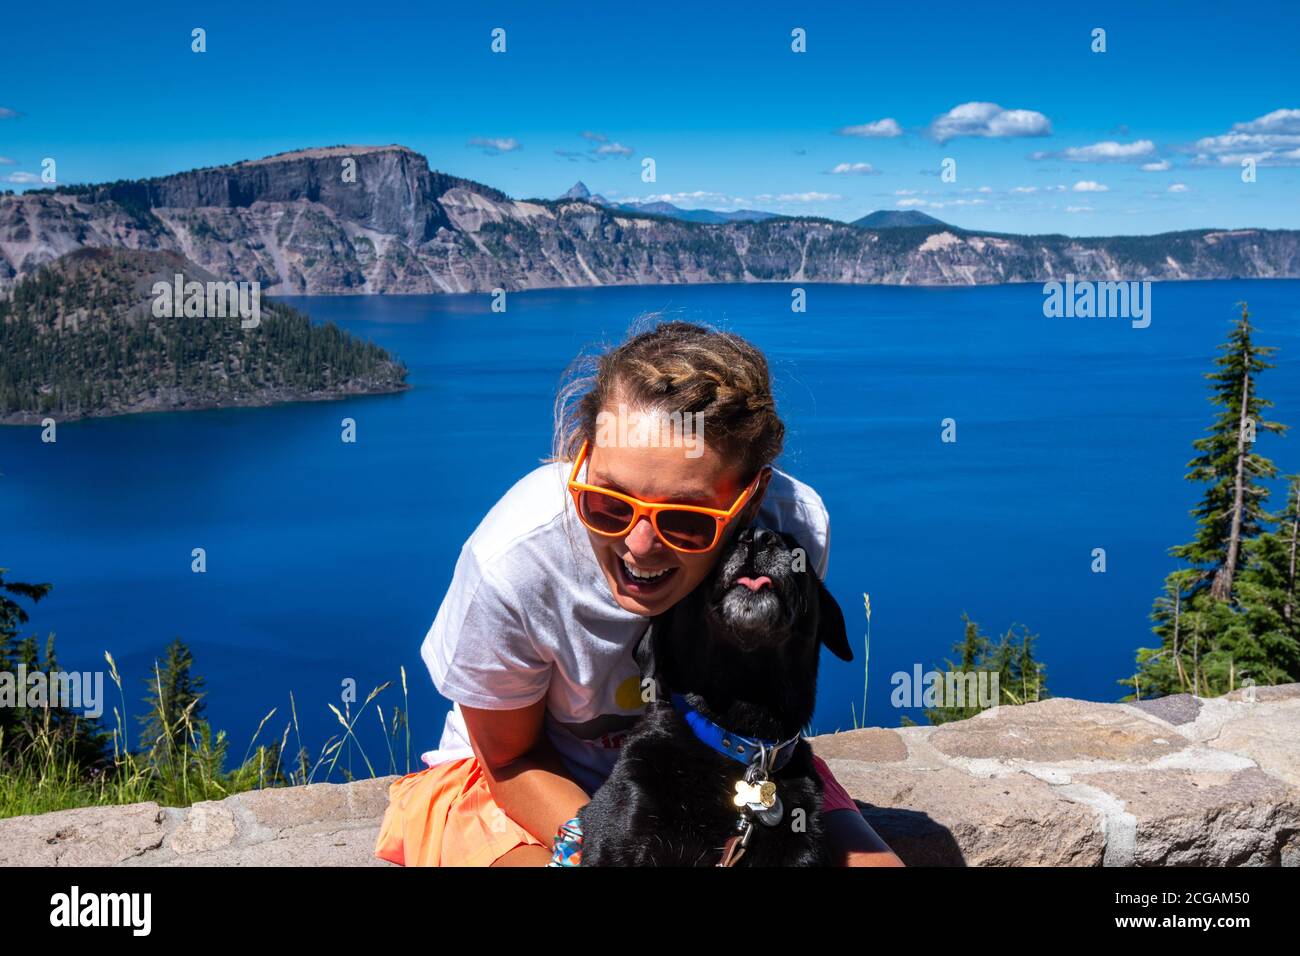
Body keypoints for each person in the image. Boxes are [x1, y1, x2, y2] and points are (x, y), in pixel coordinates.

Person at [374, 319, 903, 867]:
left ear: (752, 496)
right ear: (582, 458)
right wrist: (611, 842)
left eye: (686, 519)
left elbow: (768, 704)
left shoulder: (789, 534)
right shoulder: (518, 562)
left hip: (730, 768)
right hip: (517, 780)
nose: (638, 545)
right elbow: (507, 760)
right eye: (608, 503)